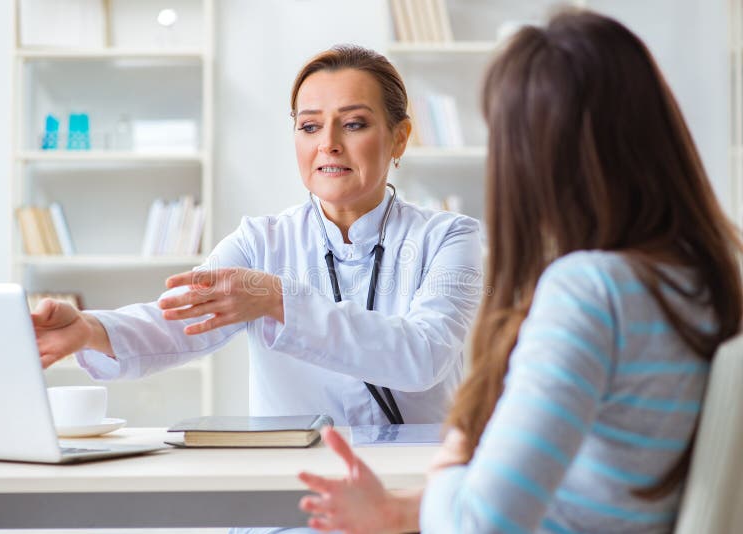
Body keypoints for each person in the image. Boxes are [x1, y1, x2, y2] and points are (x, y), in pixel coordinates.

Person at [297, 10, 743, 533]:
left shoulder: (590, 292)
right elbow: (597, 486)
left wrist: (456, 451)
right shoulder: (708, 274)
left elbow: (480, 524)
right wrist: (404, 512)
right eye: (309, 125)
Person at [32, 44, 482, 532]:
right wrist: (89, 329)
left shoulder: (450, 237)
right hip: (293, 500)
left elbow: (423, 355)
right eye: (309, 126)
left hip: (410, 495)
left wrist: (277, 299)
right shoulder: (260, 241)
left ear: (399, 138)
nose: (328, 144)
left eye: (353, 124)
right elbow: (180, 319)